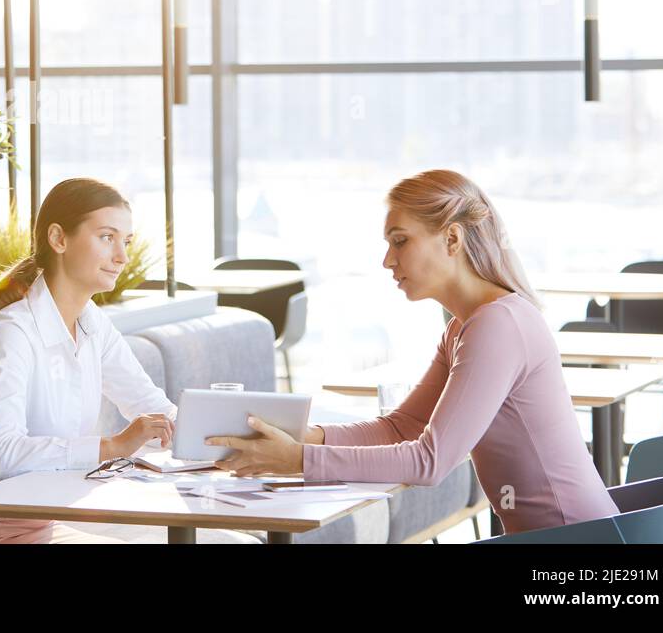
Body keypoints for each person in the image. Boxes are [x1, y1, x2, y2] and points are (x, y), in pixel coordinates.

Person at [206, 168, 621, 536]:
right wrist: (305, 436)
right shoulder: (465, 326)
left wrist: (298, 459)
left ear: (452, 238)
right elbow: (399, 428)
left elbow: (430, 460)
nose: (388, 260)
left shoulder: (498, 326)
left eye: (400, 241)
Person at [0, 177, 177, 543]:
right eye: (107, 237)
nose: (122, 256)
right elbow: (2, 453)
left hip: (43, 520)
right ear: (59, 239)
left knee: (233, 542)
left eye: (127, 241)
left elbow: (152, 407)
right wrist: (113, 446)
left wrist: (223, 440)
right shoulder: (11, 332)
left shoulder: (94, 326)